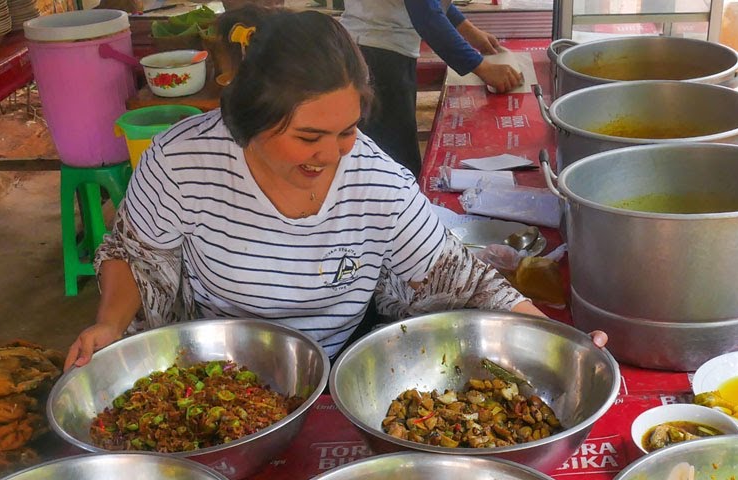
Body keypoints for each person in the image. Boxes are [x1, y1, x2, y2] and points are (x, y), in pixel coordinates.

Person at [65, 10, 593, 370]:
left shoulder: (377, 180)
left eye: (347, 130)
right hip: (216, 372)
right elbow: (136, 255)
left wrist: (560, 346)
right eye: (308, 137)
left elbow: (463, 281)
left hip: (337, 370)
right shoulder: (182, 162)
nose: (334, 154)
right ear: (253, 118)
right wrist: (109, 325)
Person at [340, 0, 523, 176]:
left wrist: (470, 32)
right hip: (379, 56)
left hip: (376, 45)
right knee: (395, 161)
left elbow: (433, 5)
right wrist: (482, 68)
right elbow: (426, 15)